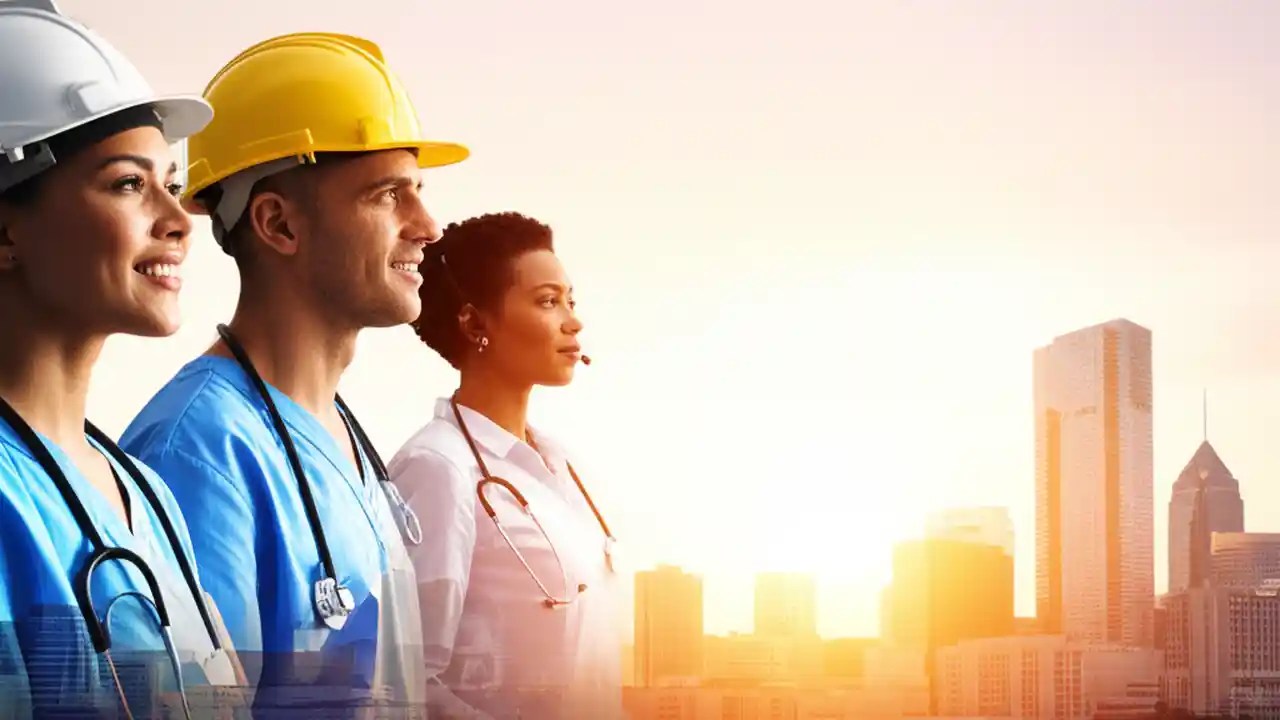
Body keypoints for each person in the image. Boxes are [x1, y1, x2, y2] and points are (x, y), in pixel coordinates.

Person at [118, 30, 468, 717]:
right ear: (278, 224)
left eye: (420, 190)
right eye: (388, 194)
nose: (429, 224)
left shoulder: (343, 437)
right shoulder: (198, 455)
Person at [0, 1, 247, 717]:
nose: (179, 222)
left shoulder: (149, 497)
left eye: (170, 184)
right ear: (5, 231)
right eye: (128, 184)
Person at [387, 212, 623, 720]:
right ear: (475, 322)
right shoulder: (436, 469)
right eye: (547, 301)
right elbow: (408, 682)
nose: (573, 320)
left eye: (571, 300)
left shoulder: (565, 466)